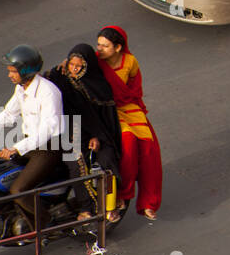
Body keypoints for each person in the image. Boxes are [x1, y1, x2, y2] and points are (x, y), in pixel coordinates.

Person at [0, 46, 63, 227]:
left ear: (26, 71)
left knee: (18, 190)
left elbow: (48, 129)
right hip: (30, 144)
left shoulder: (48, 92)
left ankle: (45, 226)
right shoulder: (21, 88)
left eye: (13, 71)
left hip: (48, 149)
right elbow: (10, 113)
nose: (10, 75)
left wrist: (16, 148)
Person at [46, 44, 123, 224]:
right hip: (65, 129)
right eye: (71, 64)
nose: (74, 69)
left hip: (92, 135)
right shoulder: (61, 77)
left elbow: (99, 120)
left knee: (96, 163)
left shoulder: (98, 87)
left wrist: (95, 136)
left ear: (87, 66)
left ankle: (92, 207)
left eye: (79, 66)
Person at [96, 27, 162, 220]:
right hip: (109, 110)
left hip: (130, 108)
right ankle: (123, 195)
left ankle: (149, 203)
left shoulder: (130, 62)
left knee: (149, 148)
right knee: (129, 142)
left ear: (118, 48)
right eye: (98, 44)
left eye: (105, 46)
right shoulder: (95, 61)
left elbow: (134, 90)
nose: (99, 49)